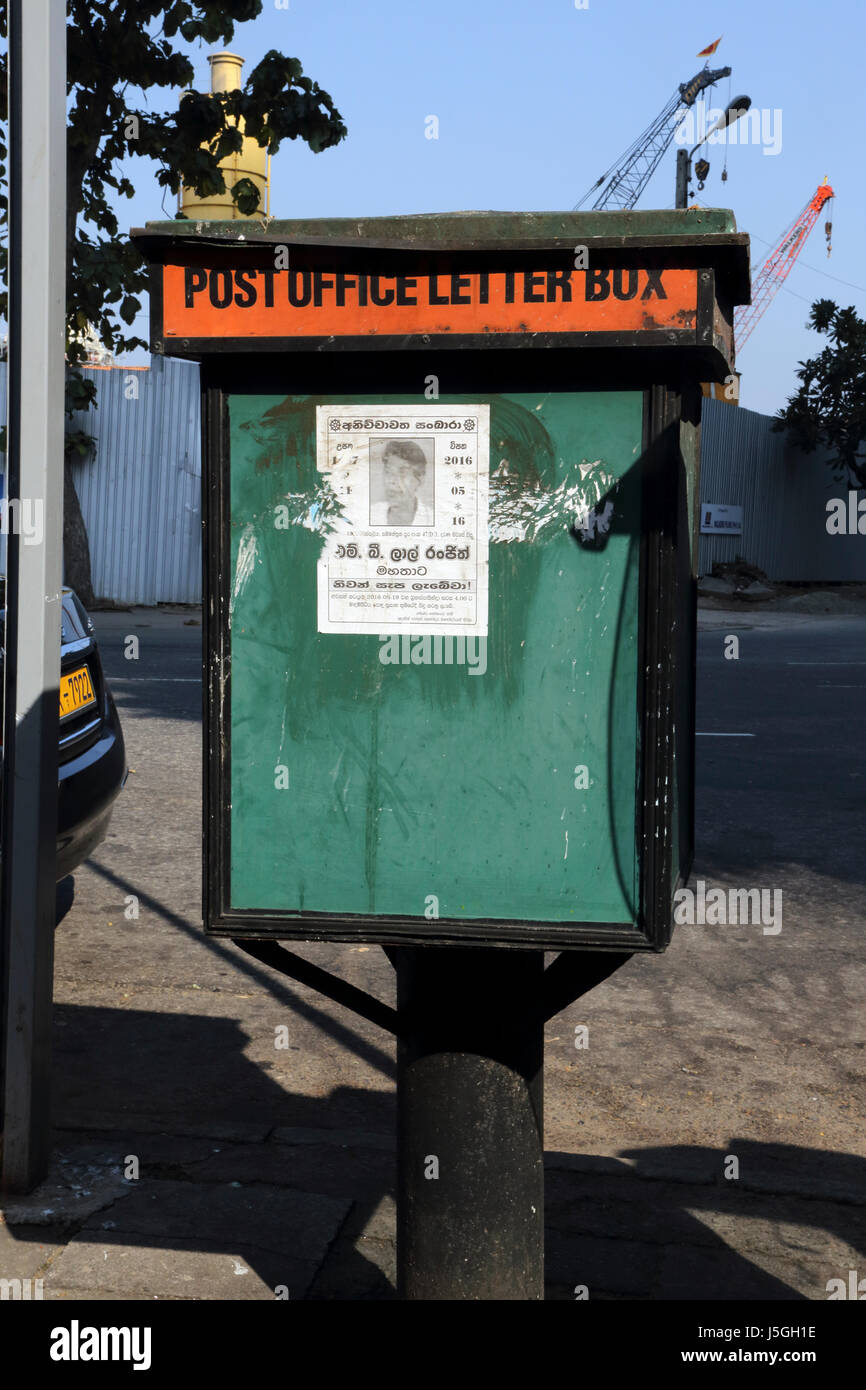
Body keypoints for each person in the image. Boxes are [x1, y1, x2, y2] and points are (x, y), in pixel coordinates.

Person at [370, 440, 434, 526]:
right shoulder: (370, 514)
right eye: (388, 472)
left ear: (420, 479)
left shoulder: (433, 519)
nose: (392, 481)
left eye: (402, 473)